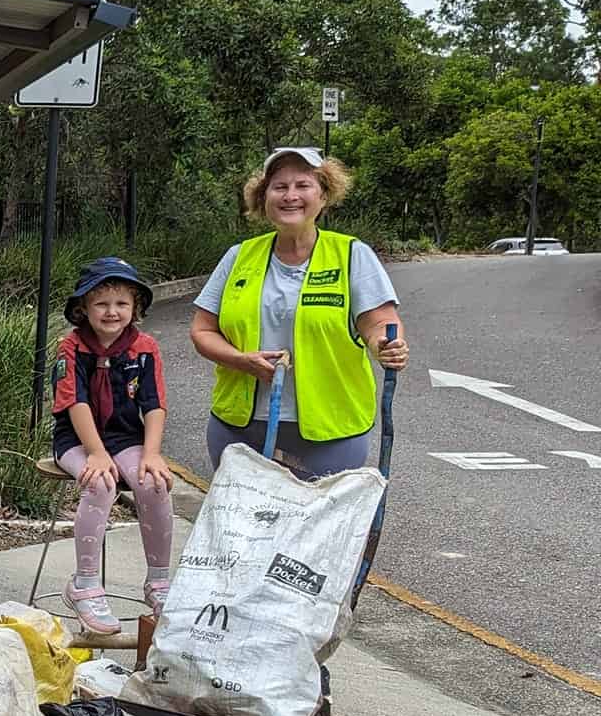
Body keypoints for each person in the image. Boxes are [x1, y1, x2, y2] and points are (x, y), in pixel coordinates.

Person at [191, 148, 408, 477]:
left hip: (330, 434)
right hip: (240, 429)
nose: (290, 195)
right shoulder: (239, 257)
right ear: (264, 198)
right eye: (279, 187)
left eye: (303, 185)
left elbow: (379, 322)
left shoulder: (351, 255)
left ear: (324, 195)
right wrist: (241, 360)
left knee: (320, 529)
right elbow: (203, 330)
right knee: (243, 528)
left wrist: (385, 345)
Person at [51, 258, 175, 632]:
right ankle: (85, 584)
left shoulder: (144, 347)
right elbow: (75, 402)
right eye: (101, 303)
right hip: (77, 438)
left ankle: (158, 581)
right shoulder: (71, 347)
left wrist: (152, 453)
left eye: (121, 303)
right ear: (83, 308)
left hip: (125, 437)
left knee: (152, 482)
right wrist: (96, 452)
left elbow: (154, 404)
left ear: (135, 308)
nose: (111, 312)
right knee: (100, 482)